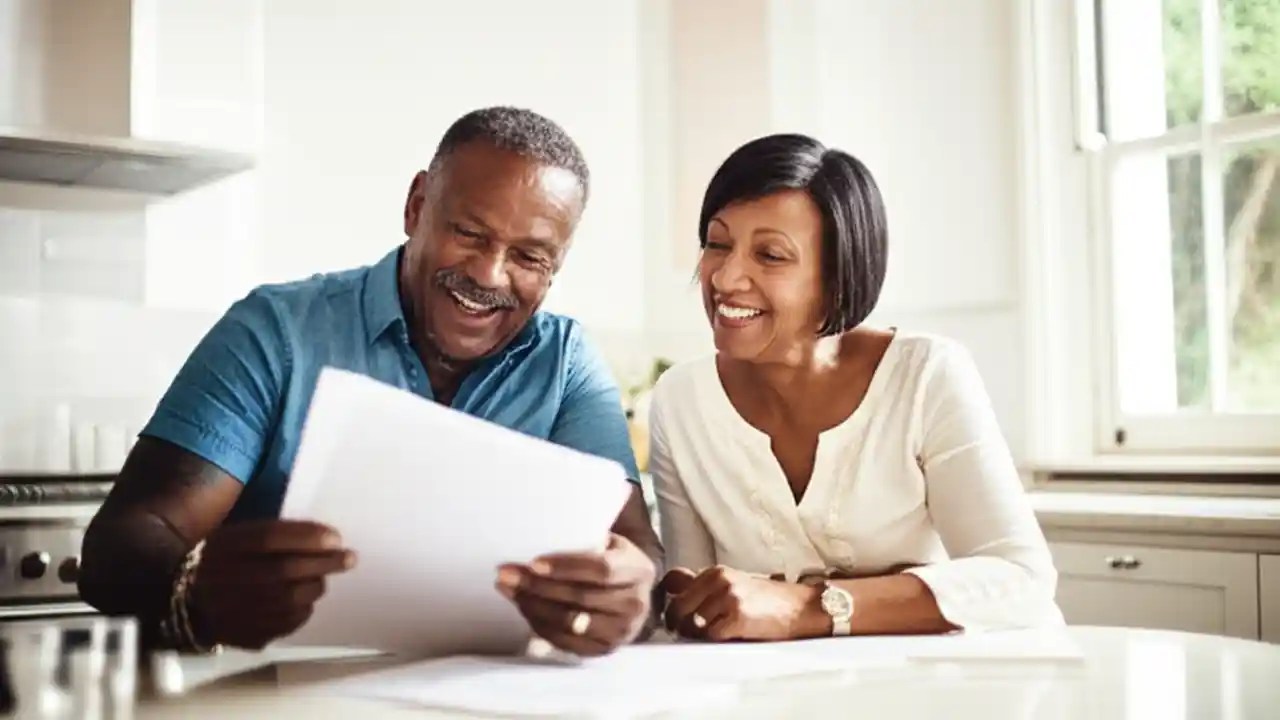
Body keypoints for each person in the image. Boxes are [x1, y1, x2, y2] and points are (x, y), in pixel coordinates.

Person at [79, 107, 661, 658]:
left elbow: (639, 553)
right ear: (416, 206)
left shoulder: (563, 359)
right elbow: (121, 546)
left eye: (529, 257)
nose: (489, 274)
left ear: (557, 264)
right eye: (469, 232)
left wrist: (630, 596)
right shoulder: (278, 331)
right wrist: (198, 592)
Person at [651, 133, 1062, 641]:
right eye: (717, 244)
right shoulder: (679, 399)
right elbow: (692, 606)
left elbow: (1021, 578)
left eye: (771, 256)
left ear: (838, 279)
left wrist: (804, 606)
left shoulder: (925, 374)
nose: (726, 277)